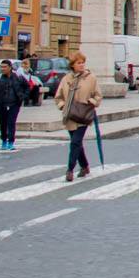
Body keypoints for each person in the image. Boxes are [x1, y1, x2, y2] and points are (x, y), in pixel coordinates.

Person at [54, 51, 100, 181]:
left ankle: (70, 169)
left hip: (84, 115)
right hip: (70, 115)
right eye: (78, 63)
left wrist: (91, 102)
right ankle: (85, 166)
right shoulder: (66, 79)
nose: (81, 65)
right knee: (77, 144)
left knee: (75, 142)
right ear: (72, 65)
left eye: (83, 62)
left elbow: (98, 96)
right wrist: (63, 105)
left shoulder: (91, 78)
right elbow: (58, 97)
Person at [0, 59, 28, 150]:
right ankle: (4, 140)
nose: (3, 69)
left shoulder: (18, 76)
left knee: (11, 123)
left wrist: (23, 97)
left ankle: (11, 141)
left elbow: (27, 87)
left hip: (14, 104)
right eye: (1, 67)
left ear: (10, 67)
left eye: (5, 67)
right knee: (3, 124)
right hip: (1, 104)